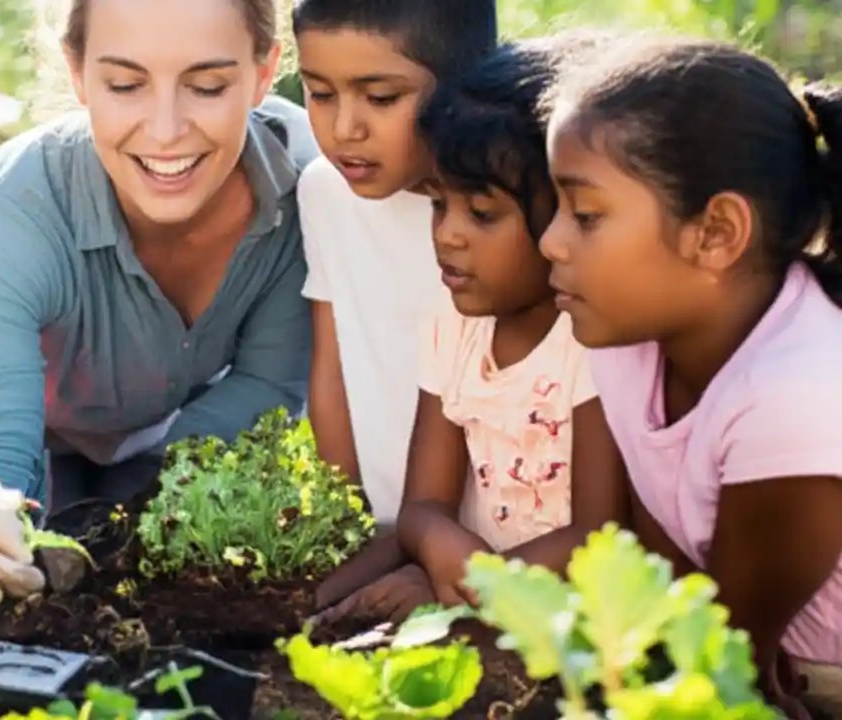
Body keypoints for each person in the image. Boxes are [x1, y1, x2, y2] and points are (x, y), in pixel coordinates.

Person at [0, 0, 319, 632]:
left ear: (263, 72)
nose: (166, 130)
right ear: (78, 73)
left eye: (208, 85)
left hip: (118, 441)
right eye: (125, 84)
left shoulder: (302, 194)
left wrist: (148, 511)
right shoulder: (17, 207)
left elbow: (266, 384)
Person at [541, 37, 842, 718]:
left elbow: (734, 667)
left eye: (585, 215)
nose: (550, 241)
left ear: (715, 233)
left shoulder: (797, 395)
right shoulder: (624, 342)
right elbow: (664, 542)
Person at [318, 35, 629, 623]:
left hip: (570, 619)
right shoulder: (452, 331)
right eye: (439, 205)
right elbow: (423, 504)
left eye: (482, 214)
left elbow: (599, 533)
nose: (447, 235)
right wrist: (435, 549)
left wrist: (470, 586)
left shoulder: (591, 346)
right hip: (476, 587)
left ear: (565, 216)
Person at [291, 0, 500, 614]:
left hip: (500, 555)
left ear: (466, 83)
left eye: (381, 98)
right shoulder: (325, 192)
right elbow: (332, 362)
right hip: (386, 532)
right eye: (319, 93)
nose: (343, 128)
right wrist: (348, 520)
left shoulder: (510, 211)